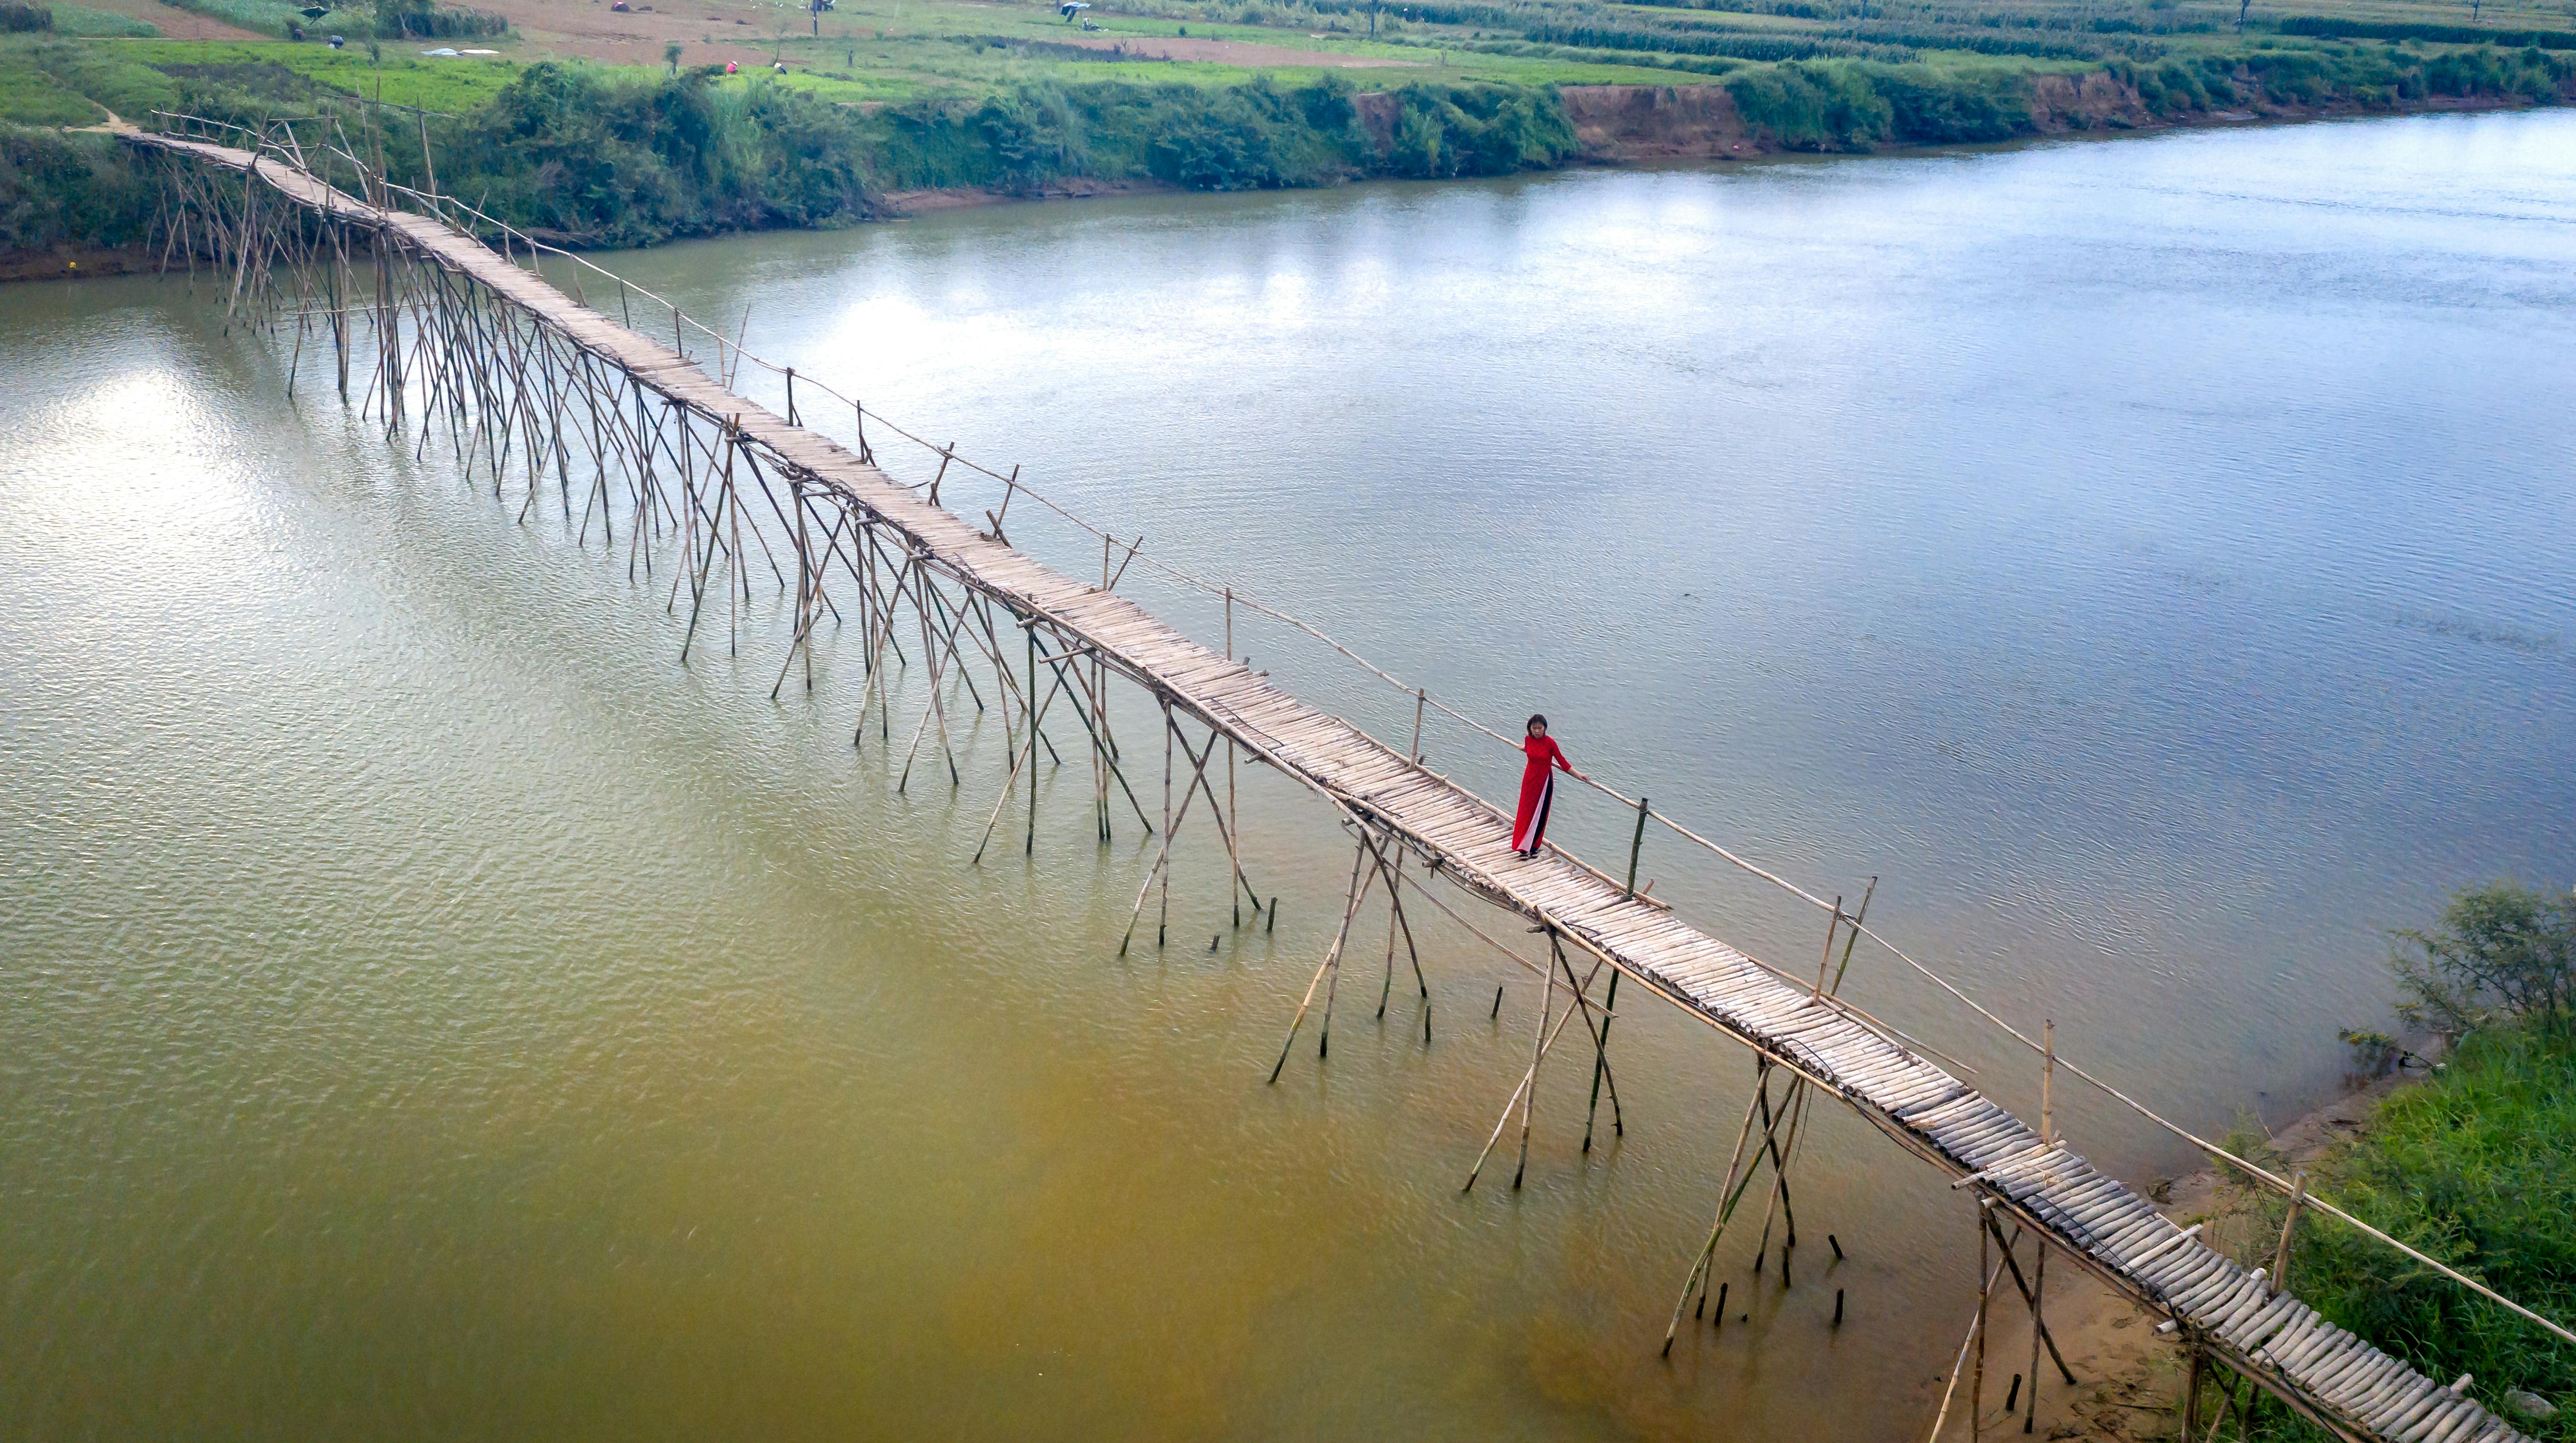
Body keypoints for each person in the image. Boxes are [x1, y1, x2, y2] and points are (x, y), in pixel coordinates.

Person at [1511, 714, 1587, 858]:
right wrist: (1522, 747)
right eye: (1534, 728)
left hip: (1544, 783)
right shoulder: (1528, 740)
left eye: (1540, 728)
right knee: (1525, 813)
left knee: (1540, 814)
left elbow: (1563, 762)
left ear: (1545, 728)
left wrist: (1579, 775)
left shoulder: (1550, 743)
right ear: (1530, 729)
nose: (1537, 731)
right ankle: (1522, 848)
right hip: (1529, 782)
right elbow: (1529, 749)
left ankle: (1533, 847)